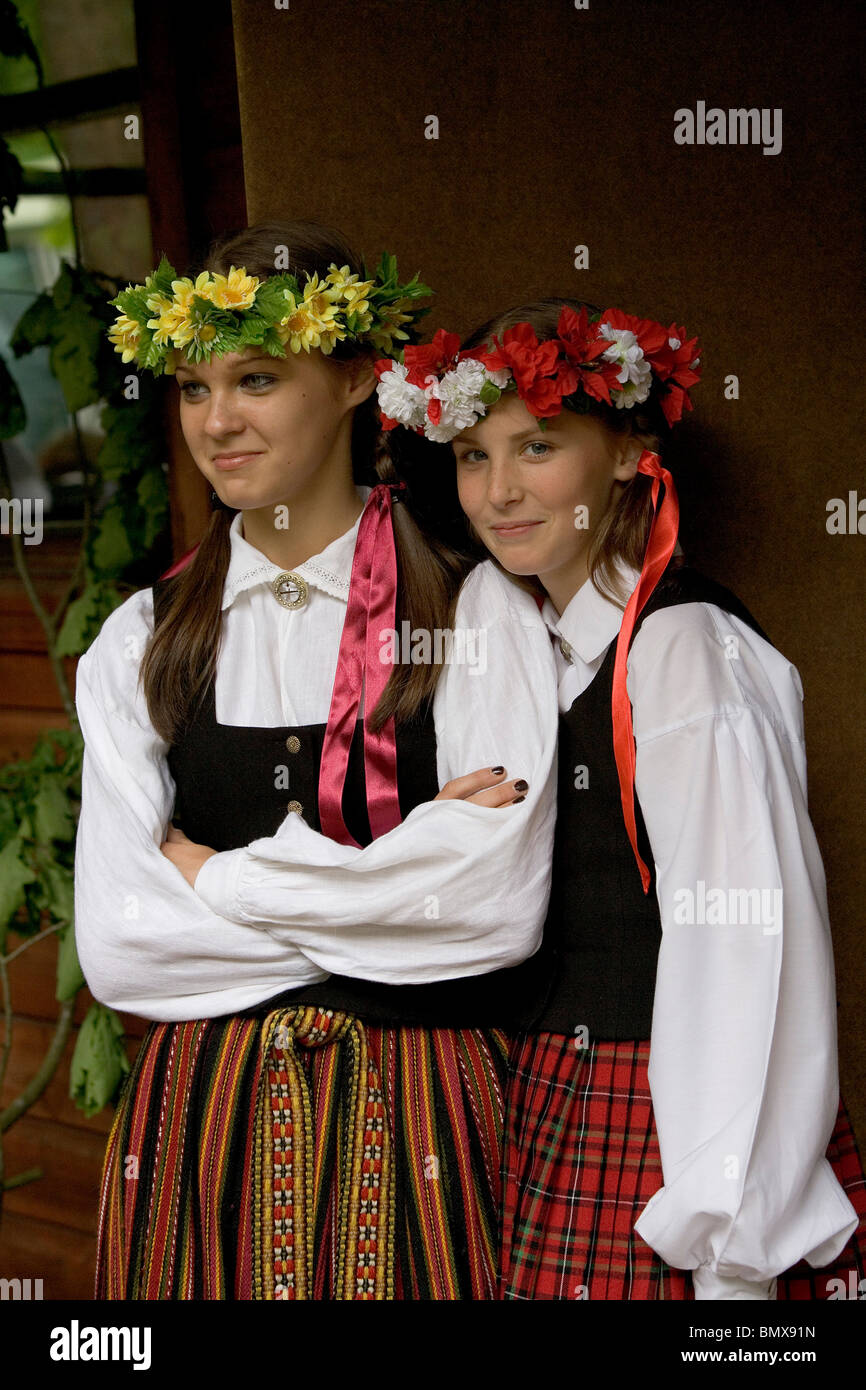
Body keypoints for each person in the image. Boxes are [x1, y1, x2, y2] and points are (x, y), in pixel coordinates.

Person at [73, 222, 559, 1300]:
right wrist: (396, 880)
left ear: (351, 379)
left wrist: (215, 879)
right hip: (201, 1128)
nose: (217, 421)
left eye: (255, 378)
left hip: (423, 1113)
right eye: (194, 388)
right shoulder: (140, 641)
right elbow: (122, 945)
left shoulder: (475, 610)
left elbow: (490, 914)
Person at [374, 301, 866, 1300]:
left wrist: (731, 1237)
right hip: (551, 1092)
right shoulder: (513, 643)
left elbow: (741, 949)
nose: (498, 490)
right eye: (472, 455)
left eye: (537, 446)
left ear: (625, 452)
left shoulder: (682, 648)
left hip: (673, 1111)